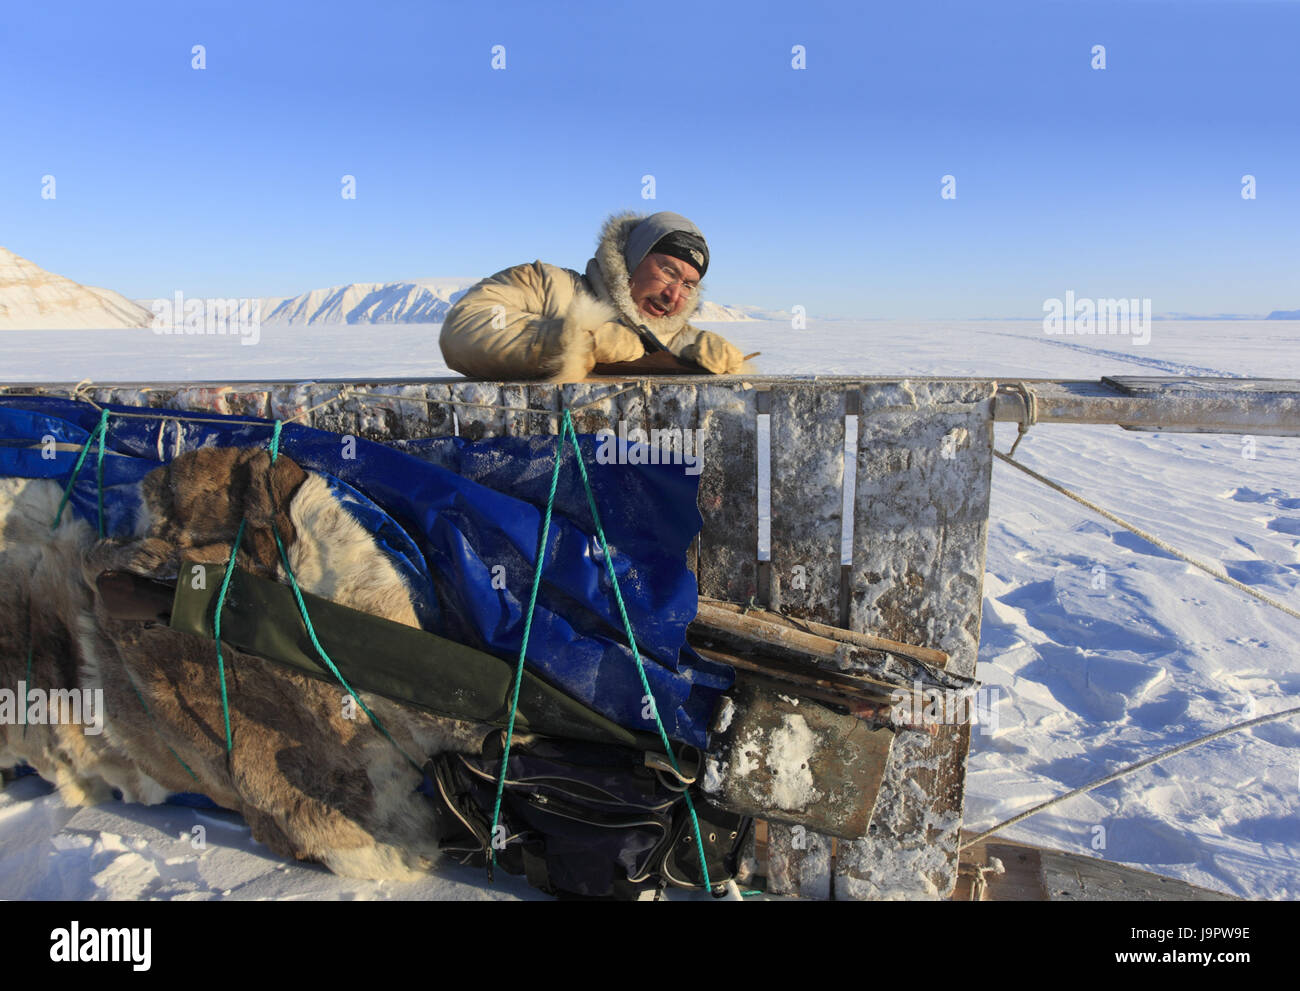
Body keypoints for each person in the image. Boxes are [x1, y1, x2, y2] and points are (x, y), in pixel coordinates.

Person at [439, 211, 750, 382]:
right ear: (632, 259)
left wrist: (729, 369)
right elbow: (465, 327)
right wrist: (579, 341)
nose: (674, 295)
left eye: (688, 285)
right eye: (668, 272)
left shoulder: (679, 340)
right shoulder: (549, 285)